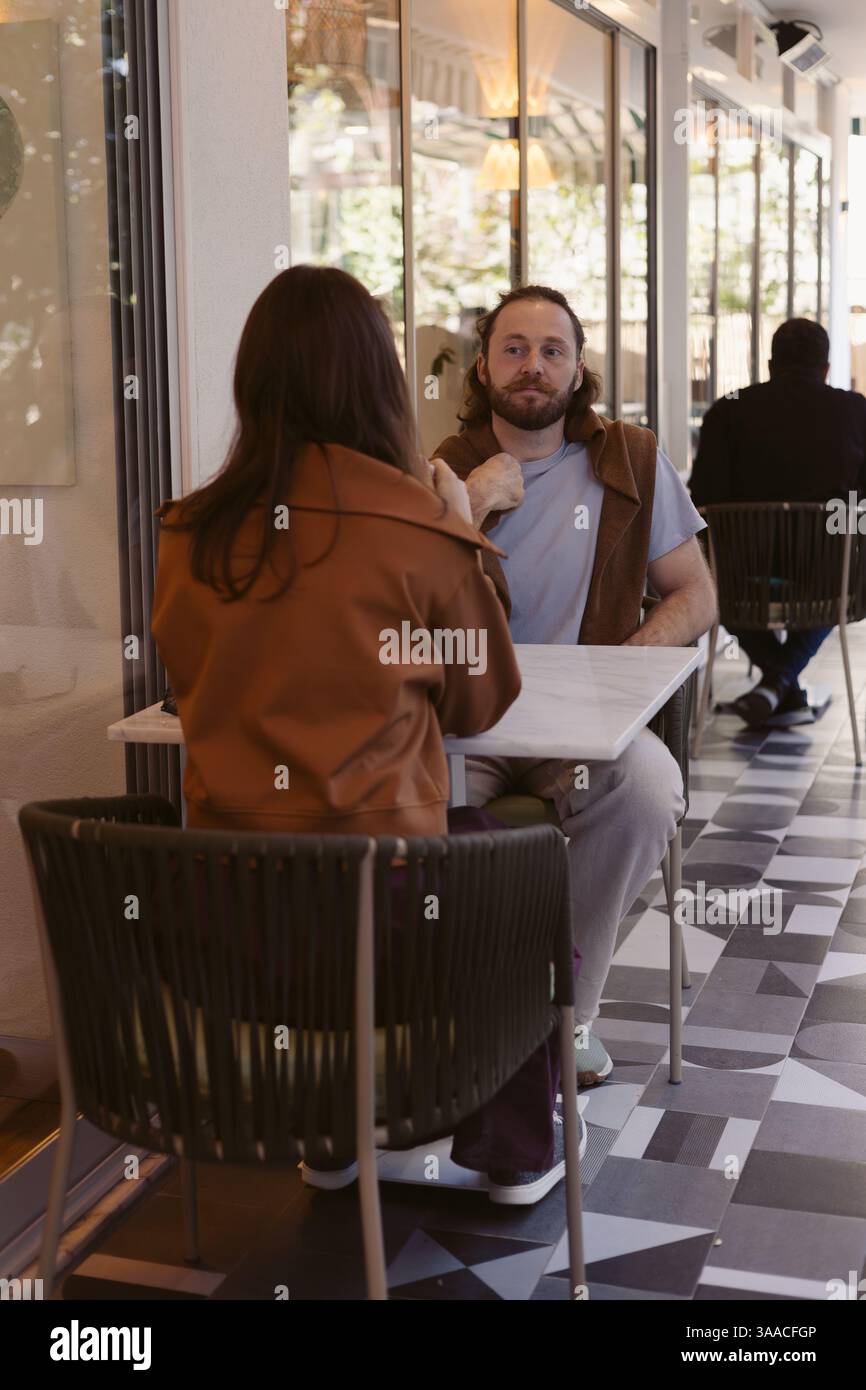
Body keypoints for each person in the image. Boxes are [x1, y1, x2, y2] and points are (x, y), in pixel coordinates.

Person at [151, 265, 574, 1206]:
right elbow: (480, 704)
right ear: (379, 384)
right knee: (524, 885)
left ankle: (331, 1134)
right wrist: (463, 525)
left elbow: (186, 692)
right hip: (383, 918)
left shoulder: (188, 532)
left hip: (224, 918)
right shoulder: (416, 525)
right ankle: (507, 1153)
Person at [433, 285, 717, 1086]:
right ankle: (458, 1014)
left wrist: (617, 670)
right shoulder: (439, 472)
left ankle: (567, 1011)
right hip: (470, 724)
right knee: (407, 797)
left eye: (552, 350)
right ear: (483, 366)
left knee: (650, 788)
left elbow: (694, 596)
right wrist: (476, 500)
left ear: (578, 367)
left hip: (584, 729)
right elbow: (396, 601)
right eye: (514, 348)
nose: (533, 366)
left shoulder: (628, 456)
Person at [690, 318, 866, 729]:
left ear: (770, 366)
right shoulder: (857, 411)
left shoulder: (726, 410)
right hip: (831, 581)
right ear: (825, 369)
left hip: (741, 581)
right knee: (845, 578)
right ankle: (780, 684)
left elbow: (703, 497)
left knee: (713, 581)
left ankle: (774, 686)